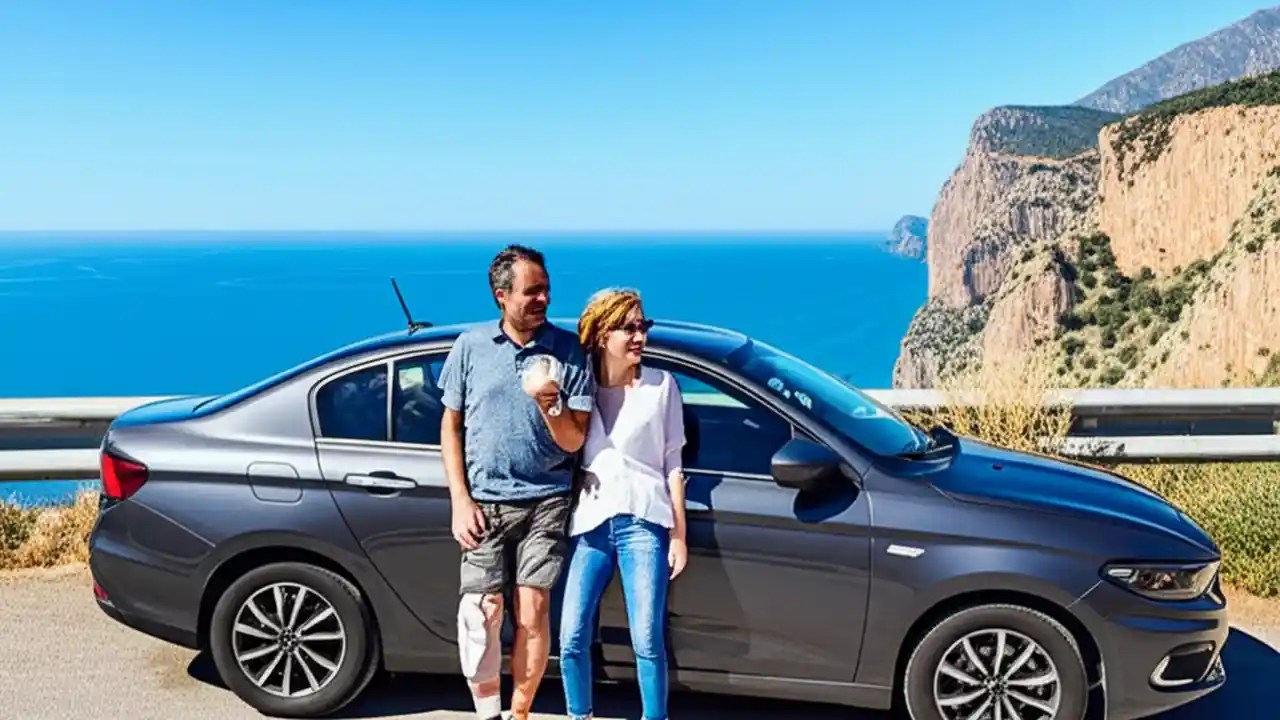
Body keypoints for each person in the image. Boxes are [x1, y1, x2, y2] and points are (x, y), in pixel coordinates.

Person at [437, 244, 595, 720]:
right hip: (484, 500)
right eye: (533, 291)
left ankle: (520, 713)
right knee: (479, 616)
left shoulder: (568, 351)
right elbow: (450, 426)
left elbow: (573, 441)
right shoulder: (471, 347)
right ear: (502, 296)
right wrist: (459, 500)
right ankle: (489, 715)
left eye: (546, 289)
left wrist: (550, 400)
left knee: (532, 610)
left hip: (547, 499)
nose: (544, 298)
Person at [558, 288, 688, 720]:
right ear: (601, 333)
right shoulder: (582, 388)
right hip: (592, 521)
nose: (640, 335)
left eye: (642, 325)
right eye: (628, 327)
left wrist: (678, 534)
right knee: (571, 636)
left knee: (647, 639)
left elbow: (673, 464)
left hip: (644, 521)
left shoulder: (661, 386)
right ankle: (581, 715)